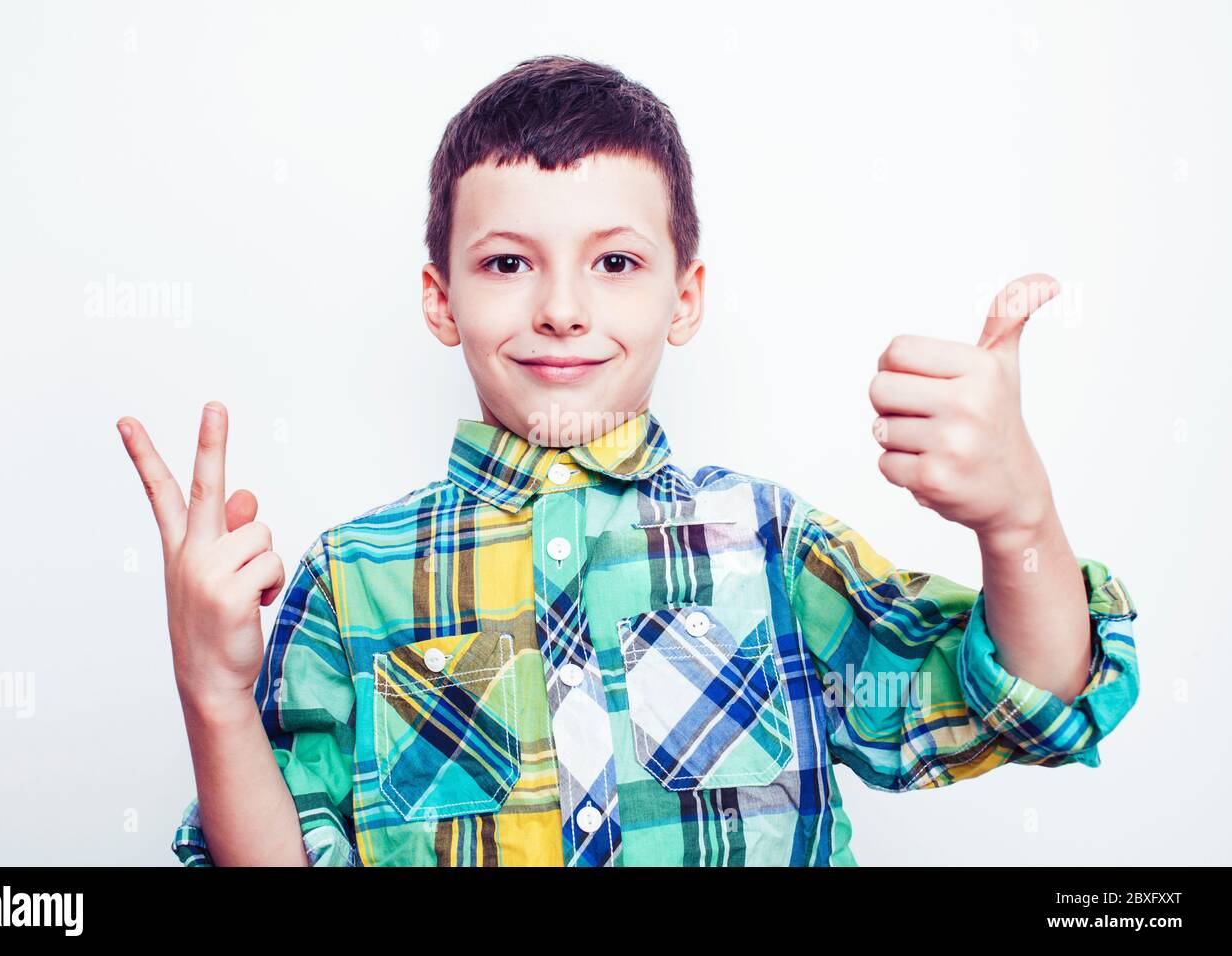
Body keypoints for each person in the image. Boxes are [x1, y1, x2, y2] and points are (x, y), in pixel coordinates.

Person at [116, 54, 1139, 867]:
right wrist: (210, 687)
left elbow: (1023, 703)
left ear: (682, 296)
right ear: (441, 298)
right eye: (508, 262)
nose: (562, 307)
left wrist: (1020, 523)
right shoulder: (352, 577)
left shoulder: (771, 546)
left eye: (614, 262)